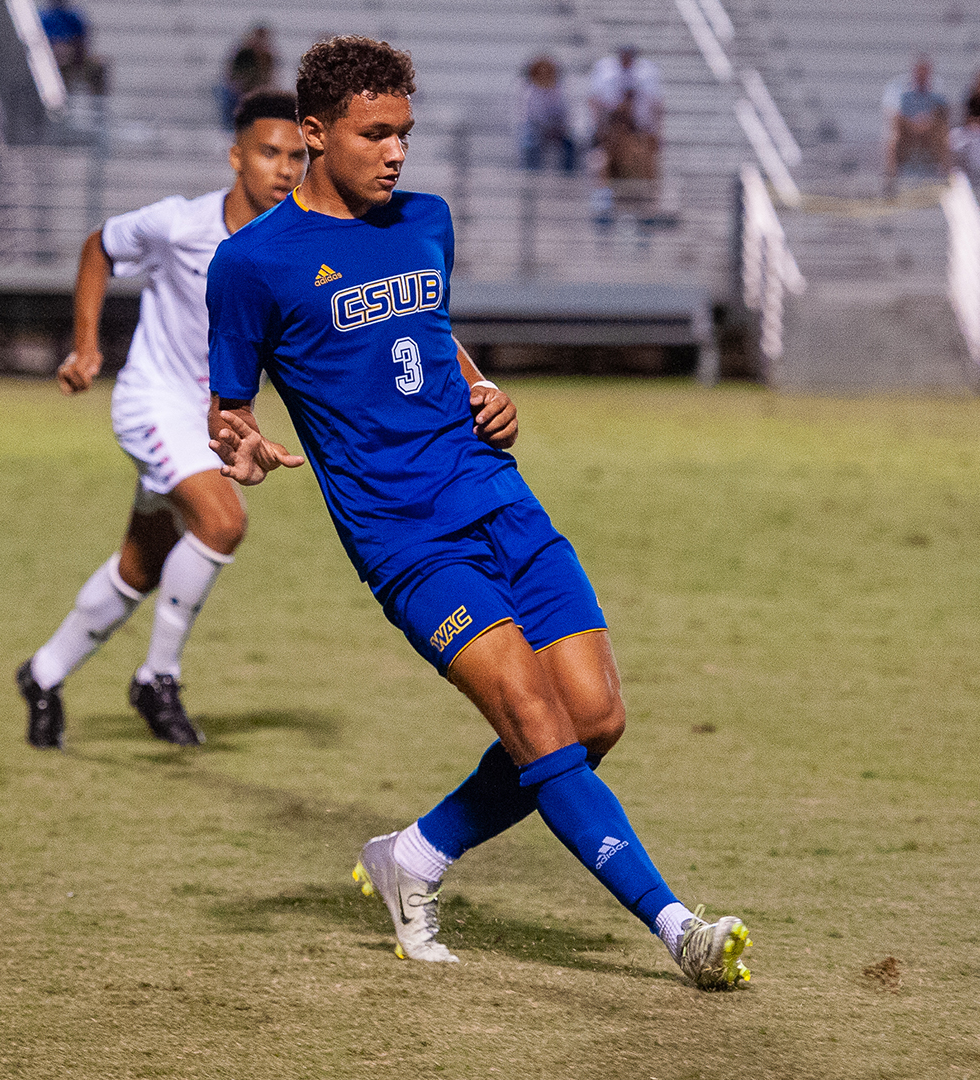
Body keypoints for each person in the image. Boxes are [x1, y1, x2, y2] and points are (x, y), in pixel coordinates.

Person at [203, 37, 752, 991]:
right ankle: (678, 930)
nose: (396, 152)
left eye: (404, 132)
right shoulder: (250, 264)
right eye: (375, 133)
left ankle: (414, 856)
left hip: (498, 496)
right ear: (316, 133)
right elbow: (230, 408)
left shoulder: (429, 221)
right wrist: (239, 443)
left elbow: (433, 335)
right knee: (538, 721)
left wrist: (483, 384)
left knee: (596, 719)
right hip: (405, 539)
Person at [15, 91, 306, 750]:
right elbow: (98, 247)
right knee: (223, 520)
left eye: (296, 156)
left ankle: (42, 673)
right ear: (238, 156)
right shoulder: (180, 224)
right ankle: (158, 678)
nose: (284, 169)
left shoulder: (294, 251)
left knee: (140, 567)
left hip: (211, 421)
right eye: (269, 152)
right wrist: (86, 344)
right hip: (151, 403)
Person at [586, 45, 665, 221]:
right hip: (612, 132)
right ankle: (603, 210)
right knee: (600, 166)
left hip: (638, 133)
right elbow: (595, 102)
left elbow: (657, 105)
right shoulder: (606, 72)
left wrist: (656, 133)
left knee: (643, 174)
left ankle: (643, 214)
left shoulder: (646, 74)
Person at [882, 54, 950, 189]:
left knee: (944, 134)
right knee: (893, 137)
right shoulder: (898, 89)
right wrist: (913, 124)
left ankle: (945, 179)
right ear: (914, 71)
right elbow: (893, 114)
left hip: (930, 132)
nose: (922, 75)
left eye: (925, 71)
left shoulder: (937, 89)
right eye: (920, 71)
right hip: (906, 132)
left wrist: (927, 122)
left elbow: (945, 112)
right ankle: (890, 180)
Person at [519, 55, 576, 173]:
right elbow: (533, 114)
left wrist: (559, 127)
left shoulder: (560, 90)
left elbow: (565, 111)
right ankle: (531, 174)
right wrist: (546, 128)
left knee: (571, 144)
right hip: (537, 129)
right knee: (529, 141)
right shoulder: (529, 91)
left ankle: (567, 175)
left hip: (556, 128)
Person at [42, 1, 108, 96]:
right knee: (59, 68)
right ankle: (60, 100)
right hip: (51, 61)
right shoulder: (43, 17)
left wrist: (71, 51)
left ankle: (97, 103)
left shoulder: (74, 16)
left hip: (75, 58)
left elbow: (82, 40)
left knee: (98, 66)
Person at [218, 25, 278, 128]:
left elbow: (271, 77)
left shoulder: (267, 56)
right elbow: (231, 74)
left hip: (257, 92)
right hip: (239, 91)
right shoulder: (243, 53)